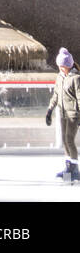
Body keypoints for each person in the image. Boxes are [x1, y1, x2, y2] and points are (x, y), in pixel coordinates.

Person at [46, 47, 80, 183]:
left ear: (68, 65)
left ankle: (75, 169)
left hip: (73, 114)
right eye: (59, 67)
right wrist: (49, 110)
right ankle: (68, 168)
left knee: (69, 139)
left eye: (62, 67)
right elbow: (55, 95)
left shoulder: (76, 78)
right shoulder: (60, 77)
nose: (60, 69)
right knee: (65, 140)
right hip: (62, 113)